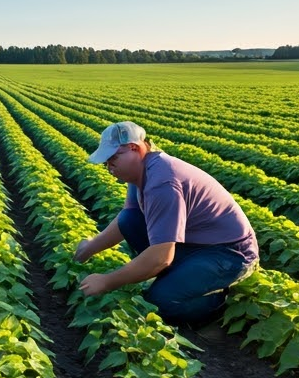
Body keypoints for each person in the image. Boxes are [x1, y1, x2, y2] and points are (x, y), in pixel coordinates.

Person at [74, 121, 258, 325]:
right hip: (195, 243)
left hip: (229, 253)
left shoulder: (162, 183)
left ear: (134, 149)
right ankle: (177, 277)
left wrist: (107, 281)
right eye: (106, 162)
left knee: (159, 302)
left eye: (113, 159)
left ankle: (219, 301)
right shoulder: (141, 172)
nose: (109, 167)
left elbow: (160, 258)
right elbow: (126, 219)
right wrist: (88, 249)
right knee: (130, 220)